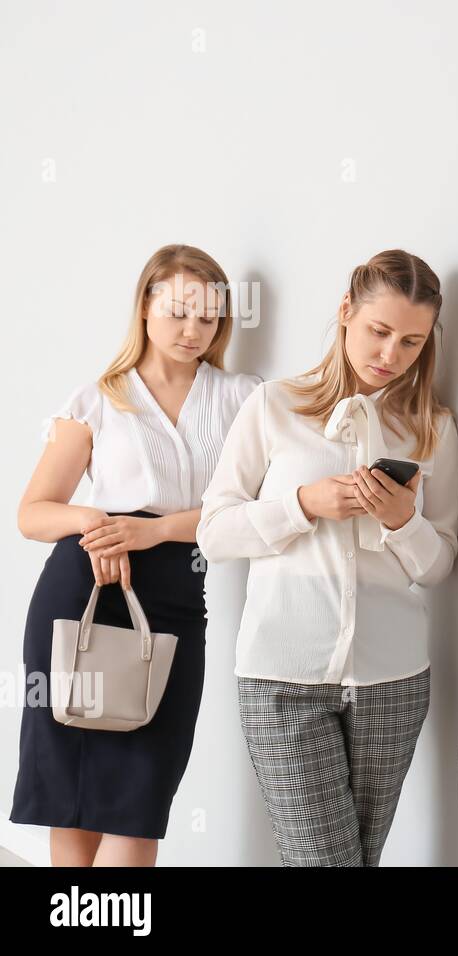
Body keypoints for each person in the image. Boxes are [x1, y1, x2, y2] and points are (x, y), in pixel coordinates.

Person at [196, 249, 458, 866]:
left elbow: (439, 564)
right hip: (280, 676)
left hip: (392, 682)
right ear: (345, 313)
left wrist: (401, 520)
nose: (390, 355)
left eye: (411, 342)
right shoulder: (273, 407)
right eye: (379, 331)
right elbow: (214, 532)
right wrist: (303, 504)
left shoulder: (432, 430)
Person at [12, 244, 260, 866]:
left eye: (209, 318)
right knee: (69, 781)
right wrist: (96, 521)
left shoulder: (243, 399)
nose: (192, 330)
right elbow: (33, 512)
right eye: (179, 311)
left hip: (177, 592)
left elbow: (248, 510)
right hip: (82, 589)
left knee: (141, 789)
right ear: (145, 306)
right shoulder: (96, 399)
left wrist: (154, 531)